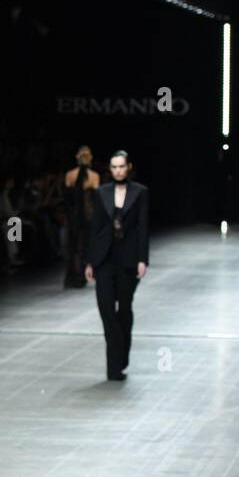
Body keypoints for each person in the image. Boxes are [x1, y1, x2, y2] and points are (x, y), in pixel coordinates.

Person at [85, 150, 149, 381]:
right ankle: (114, 361)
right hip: (104, 258)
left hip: (128, 259)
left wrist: (143, 259)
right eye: (114, 167)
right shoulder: (101, 192)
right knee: (105, 308)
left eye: (121, 166)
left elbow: (142, 227)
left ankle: (119, 361)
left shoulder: (140, 192)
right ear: (110, 169)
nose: (118, 171)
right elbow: (95, 227)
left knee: (124, 309)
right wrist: (90, 261)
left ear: (128, 167)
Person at [63, 144, 99, 288]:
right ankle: (78, 275)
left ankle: (80, 275)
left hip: (83, 215)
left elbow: (94, 200)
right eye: (83, 155)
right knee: (78, 245)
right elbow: (68, 200)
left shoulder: (91, 176)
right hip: (78, 215)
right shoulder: (73, 175)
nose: (85, 158)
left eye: (86, 155)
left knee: (81, 245)